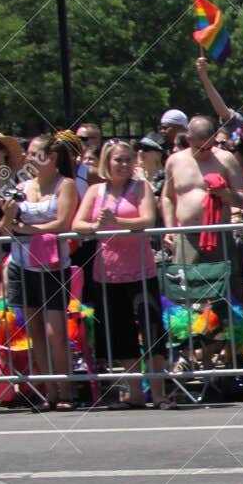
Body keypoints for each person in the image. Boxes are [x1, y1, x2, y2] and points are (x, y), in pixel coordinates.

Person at [73, 140, 170, 407]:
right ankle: (135, 392)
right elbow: (77, 223)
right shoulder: (95, 191)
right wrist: (95, 225)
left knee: (151, 329)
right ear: (107, 162)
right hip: (108, 273)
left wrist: (117, 222)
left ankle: (159, 392)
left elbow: (147, 219)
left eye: (128, 160)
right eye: (119, 160)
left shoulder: (141, 187)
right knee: (121, 333)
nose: (124, 165)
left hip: (140, 270)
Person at [0, 133, 78, 408]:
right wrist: (7, 214)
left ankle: (67, 390)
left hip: (53, 266)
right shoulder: (21, 186)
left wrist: (27, 230)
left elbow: (63, 222)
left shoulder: (65, 185)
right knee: (35, 331)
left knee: (55, 331)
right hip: (22, 264)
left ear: (50, 157)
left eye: (33, 153)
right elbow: (5, 228)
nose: (28, 158)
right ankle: (49, 390)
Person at [162, 115, 243, 265]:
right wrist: (169, 228)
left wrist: (225, 194)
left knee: (224, 283)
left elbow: (242, 199)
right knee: (187, 284)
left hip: (219, 234)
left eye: (209, 147)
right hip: (186, 236)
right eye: (199, 148)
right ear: (188, 139)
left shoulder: (226, 159)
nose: (205, 152)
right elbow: (168, 197)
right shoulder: (174, 161)